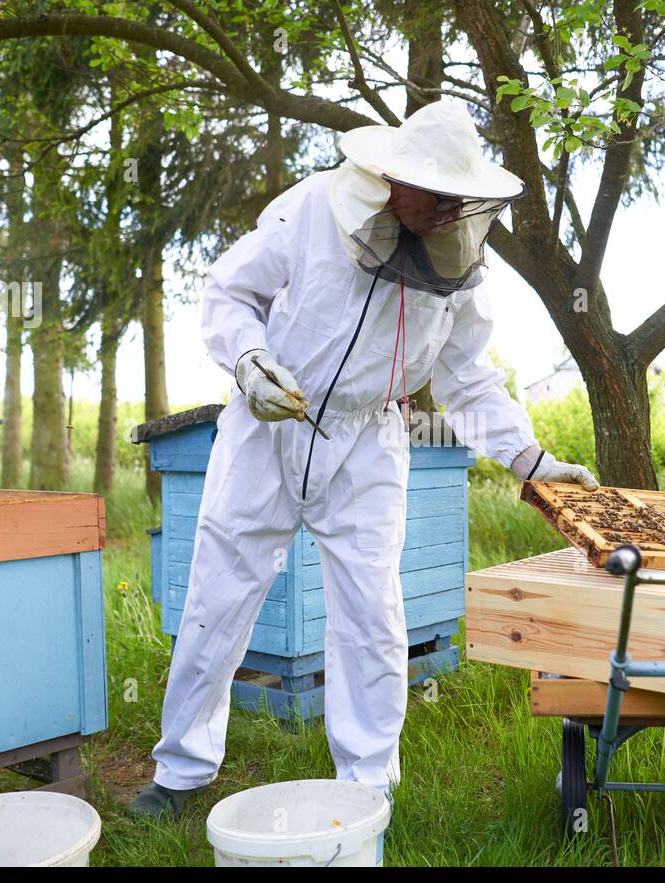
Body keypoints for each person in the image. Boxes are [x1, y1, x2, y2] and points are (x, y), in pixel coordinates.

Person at [129, 99, 598, 820]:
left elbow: (468, 377)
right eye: (436, 196)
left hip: (369, 438)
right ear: (391, 177)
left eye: (459, 199)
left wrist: (531, 460)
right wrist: (250, 364)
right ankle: (181, 772)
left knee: (371, 612)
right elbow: (229, 291)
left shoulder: (458, 265)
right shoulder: (314, 207)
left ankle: (367, 785)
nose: (449, 212)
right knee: (219, 596)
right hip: (269, 424)